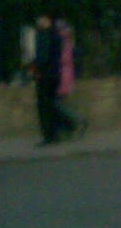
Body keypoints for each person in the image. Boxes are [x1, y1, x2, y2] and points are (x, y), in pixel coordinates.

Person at [30, 13, 69, 145]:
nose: (38, 22)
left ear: (46, 20)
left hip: (45, 75)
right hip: (54, 74)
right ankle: (60, 130)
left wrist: (37, 69)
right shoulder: (56, 35)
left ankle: (50, 135)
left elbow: (43, 56)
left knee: (45, 106)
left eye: (40, 19)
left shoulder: (44, 35)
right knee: (52, 104)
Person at [55, 17, 88, 138]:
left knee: (56, 103)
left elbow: (62, 58)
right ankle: (68, 128)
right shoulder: (69, 40)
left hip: (63, 74)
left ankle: (78, 120)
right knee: (60, 102)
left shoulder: (62, 41)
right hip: (68, 73)